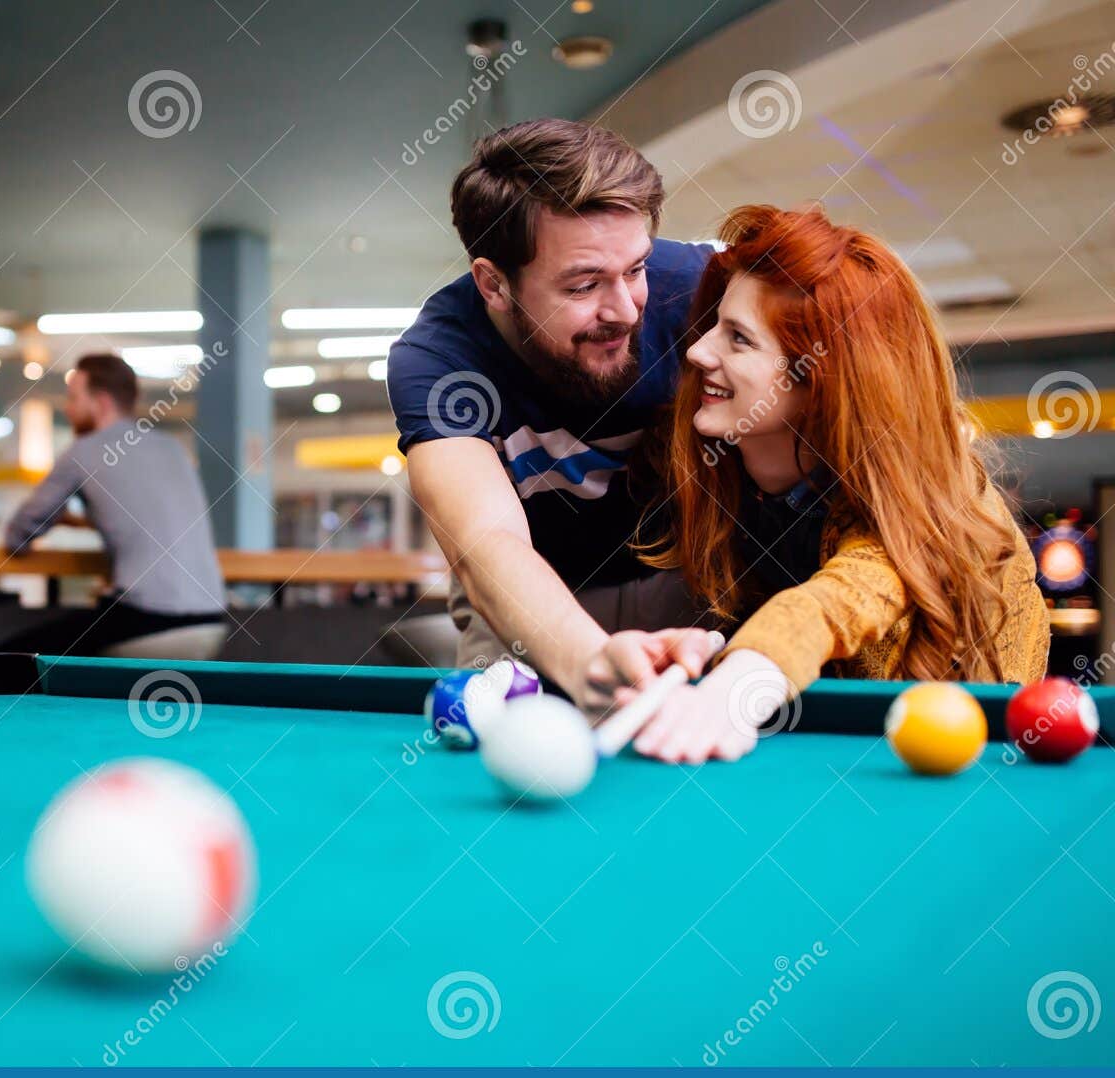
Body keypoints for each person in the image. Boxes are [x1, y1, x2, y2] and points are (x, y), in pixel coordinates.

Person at [585, 204, 1049, 762]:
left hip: (966, 777)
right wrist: (705, 653)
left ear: (820, 383)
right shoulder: (725, 464)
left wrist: (744, 677)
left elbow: (845, 598)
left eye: (738, 339)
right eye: (714, 326)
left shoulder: (929, 500)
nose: (698, 350)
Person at [388, 117, 719, 702]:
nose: (624, 309)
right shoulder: (437, 360)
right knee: (492, 751)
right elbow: (485, 542)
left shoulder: (699, 289)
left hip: (687, 573)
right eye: (583, 285)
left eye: (636, 269)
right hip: (529, 589)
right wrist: (591, 660)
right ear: (493, 285)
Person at [0, 353, 225, 654]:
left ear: (102, 402)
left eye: (74, 398)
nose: (68, 409)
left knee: (10, 657)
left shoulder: (84, 451)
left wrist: (55, 522)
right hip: (212, 617)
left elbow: (19, 534)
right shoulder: (172, 448)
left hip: (149, 617)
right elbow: (147, 519)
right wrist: (82, 522)